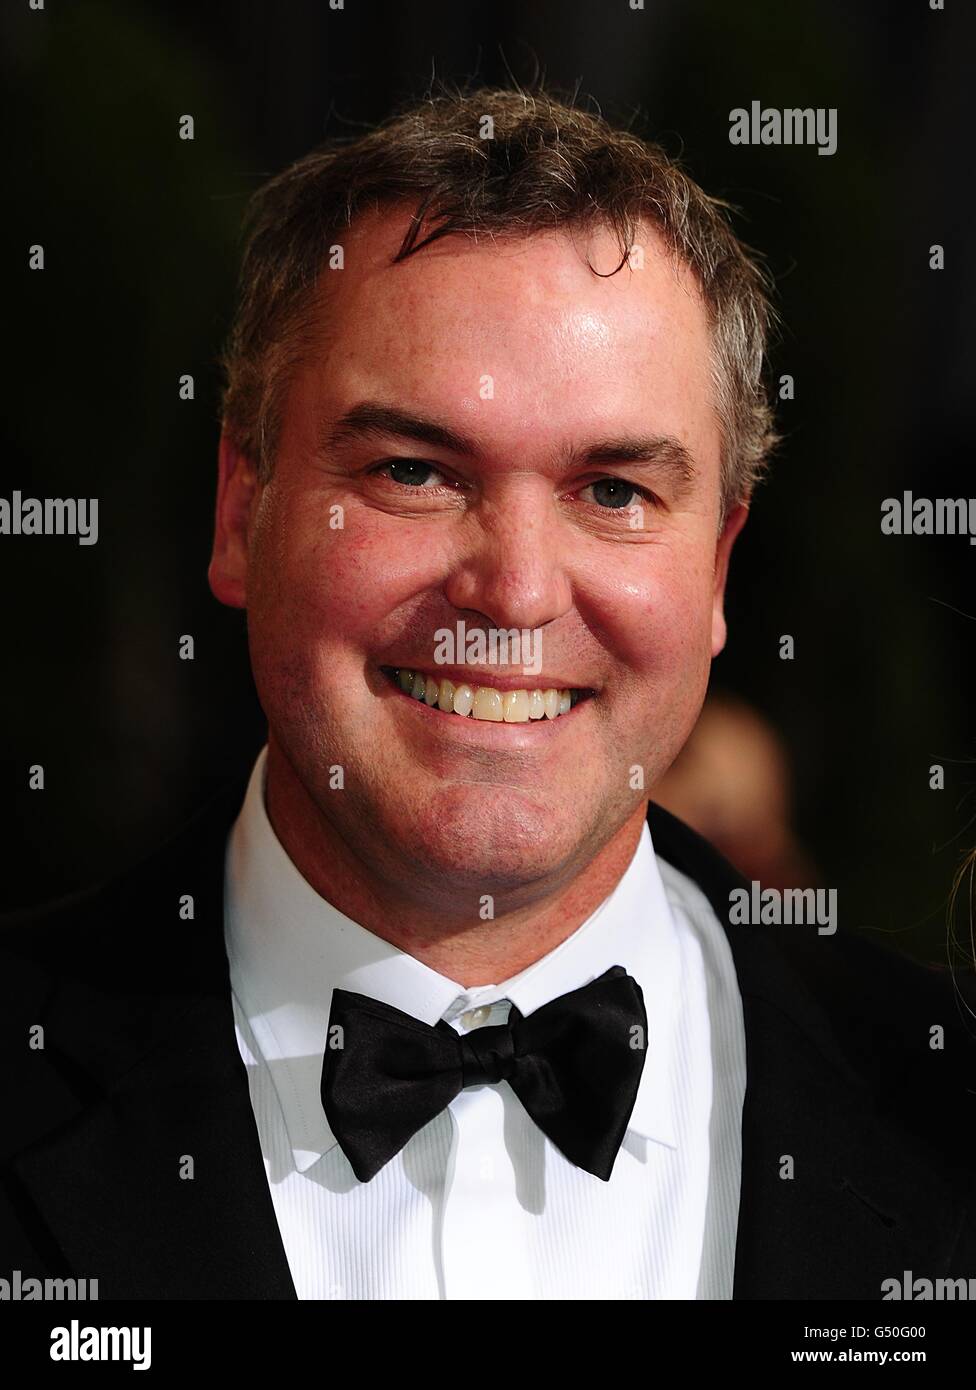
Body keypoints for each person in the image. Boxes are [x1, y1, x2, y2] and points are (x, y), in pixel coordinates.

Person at [2, 85, 974, 1301]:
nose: (512, 593)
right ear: (243, 510)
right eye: (414, 471)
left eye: (613, 491)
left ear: (718, 568)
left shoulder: (944, 1111)